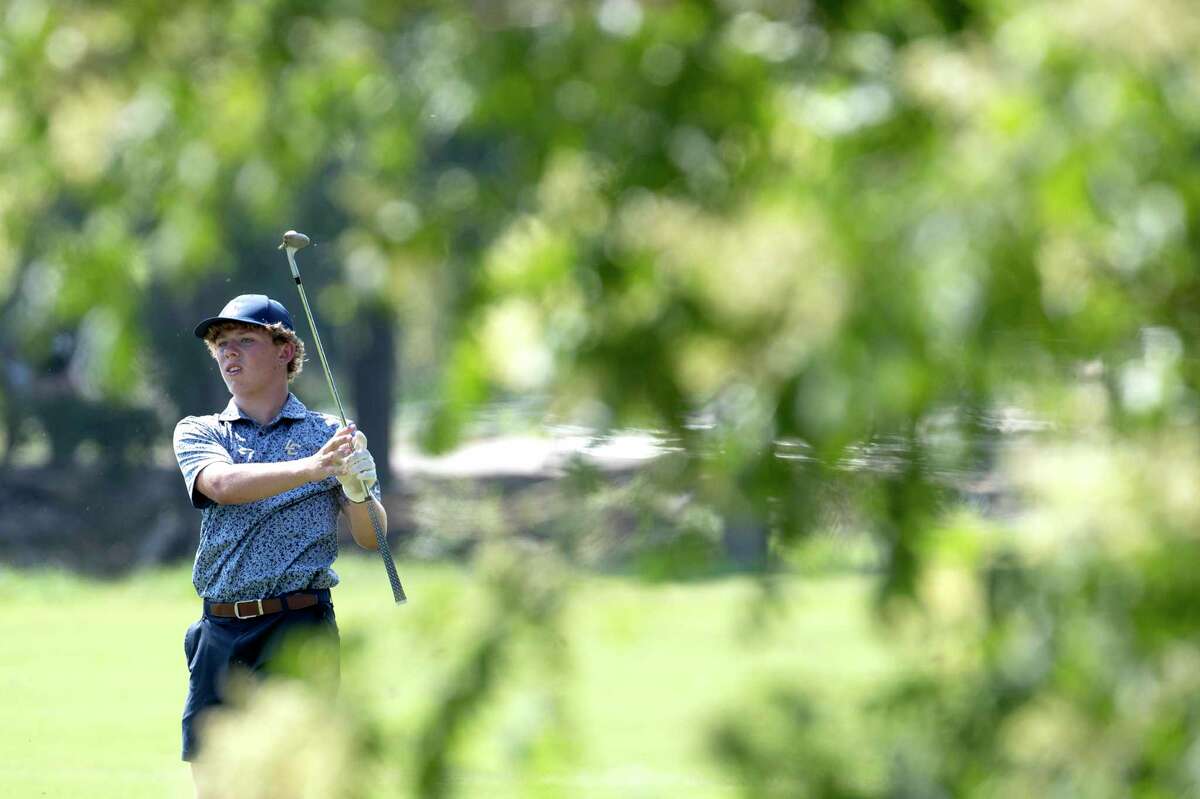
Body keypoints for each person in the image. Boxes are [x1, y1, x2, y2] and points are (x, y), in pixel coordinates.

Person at [171, 293, 386, 786]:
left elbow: (372, 539)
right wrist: (314, 468)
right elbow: (221, 486)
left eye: (245, 340)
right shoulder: (202, 430)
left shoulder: (330, 435)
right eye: (222, 344)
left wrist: (356, 490)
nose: (229, 352)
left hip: (299, 628)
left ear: (285, 350)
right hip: (220, 631)